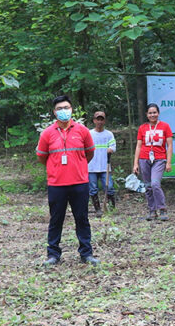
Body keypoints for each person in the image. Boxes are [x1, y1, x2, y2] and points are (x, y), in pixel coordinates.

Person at [35, 95, 97, 266]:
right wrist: (55, 168)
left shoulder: (82, 130)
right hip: (57, 184)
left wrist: (78, 165)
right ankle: (53, 255)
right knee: (56, 220)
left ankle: (86, 253)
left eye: (66, 108)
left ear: (72, 109)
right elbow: (41, 157)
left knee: (82, 219)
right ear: (54, 112)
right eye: (60, 109)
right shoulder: (47, 133)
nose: (64, 111)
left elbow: (89, 153)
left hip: (79, 183)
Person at [132, 104, 173, 221]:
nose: (152, 115)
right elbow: (138, 146)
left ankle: (162, 209)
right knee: (148, 186)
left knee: (155, 184)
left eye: (154, 112)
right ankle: (152, 211)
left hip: (159, 159)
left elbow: (169, 145)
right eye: (150, 113)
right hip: (144, 159)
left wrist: (168, 162)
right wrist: (135, 163)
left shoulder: (165, 126)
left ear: (158, 113)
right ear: (146, 114)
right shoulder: (142, 128)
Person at [87, 110, 117, 215]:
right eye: (97, 119)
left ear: (104, 121)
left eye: (101, 120)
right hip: (91, 167)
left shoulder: (109, 134)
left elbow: (113, 146)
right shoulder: (89, 134)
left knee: (109, 187)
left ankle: (111, 208)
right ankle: (98, 209)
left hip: (105, 166)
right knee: (93, 189)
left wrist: (110, 149)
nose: (99, 122)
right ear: (94, 120)